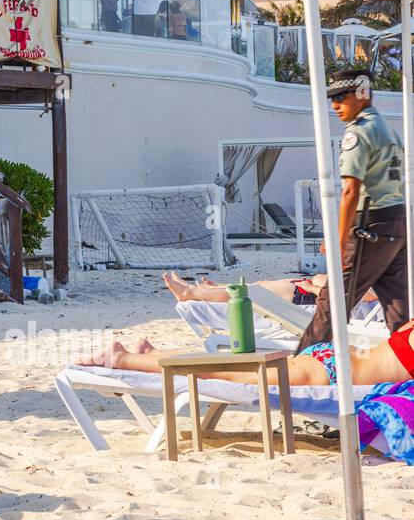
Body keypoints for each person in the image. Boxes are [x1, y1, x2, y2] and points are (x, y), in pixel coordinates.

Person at [297, 68, 409, 350]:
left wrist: (336, 239)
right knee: (399, 308)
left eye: (341, 97)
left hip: (369, 226)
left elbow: (350, 191)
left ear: (361, 93)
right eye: (332, 99)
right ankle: (407, 365)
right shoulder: (388, 130)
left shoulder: (359, 133)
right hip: (397, 223)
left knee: (332, 300)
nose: (335, 105)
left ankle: (306, 363)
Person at [80, 321, 414, 388]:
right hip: (329, 374)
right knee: (219, 372)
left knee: (232, 366)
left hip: (329, 355)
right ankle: (122, 359)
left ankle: (150, 352)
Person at [162, 271, 377, 307]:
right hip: (302, 288)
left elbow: (351, 298)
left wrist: (313, 288)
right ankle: (213, 288)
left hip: (305, 297)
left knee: (252, 294)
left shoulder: (374, 289)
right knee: (259, 286)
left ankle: (190, 292)